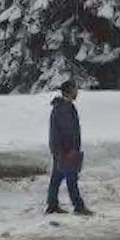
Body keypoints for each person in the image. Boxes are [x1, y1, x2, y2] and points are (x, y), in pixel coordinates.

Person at [46, 81, 92, 216]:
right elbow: (67, 131)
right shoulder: (64, 108)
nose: (77, 92)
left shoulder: (62, 106)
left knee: (57, 177)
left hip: (60, 149)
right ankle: (78, 206)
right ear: (70, 91)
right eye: (75, 89)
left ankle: (52, 204)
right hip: (66, 150)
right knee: (72, 178)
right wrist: (70, 149)